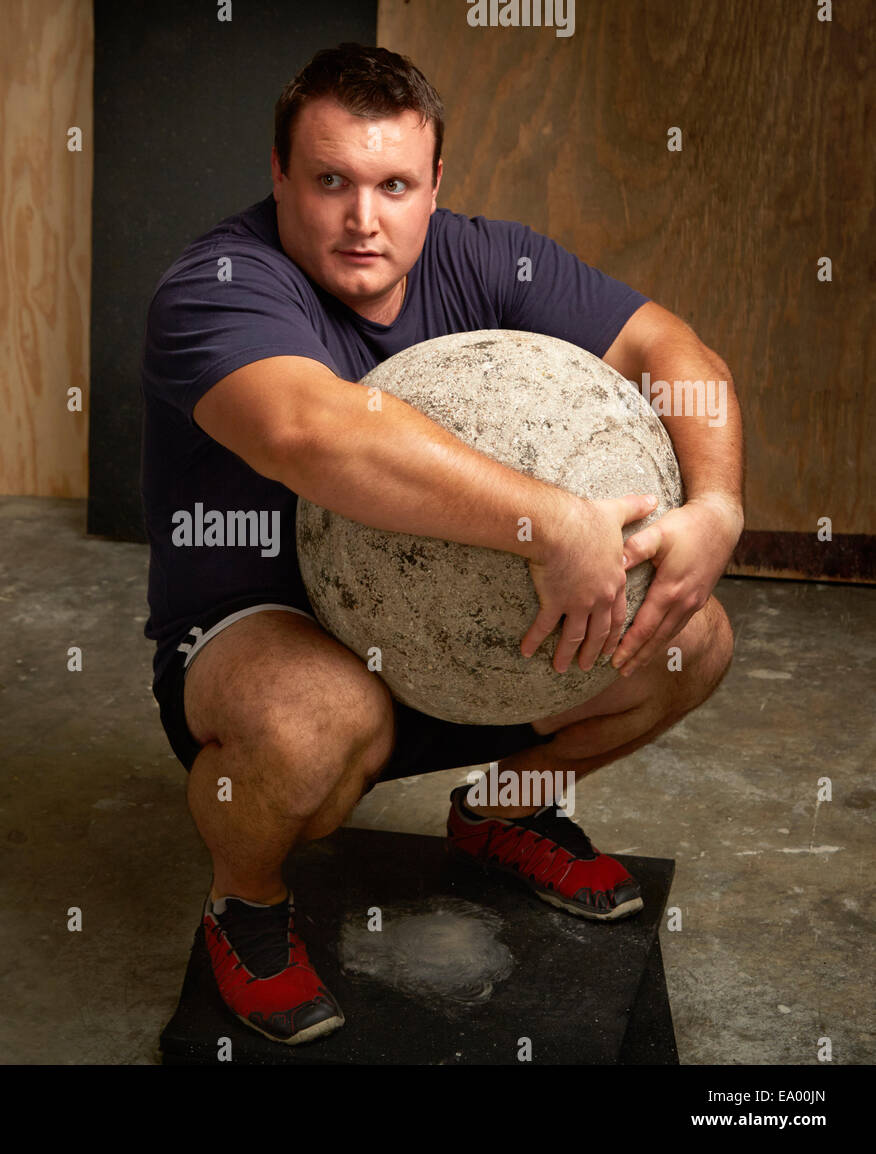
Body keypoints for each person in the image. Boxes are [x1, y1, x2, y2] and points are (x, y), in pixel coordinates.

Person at [139, 43, 742, 1046]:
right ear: (279, 175)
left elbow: (667, 351)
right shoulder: (217, 286)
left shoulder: (482, 257)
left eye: (392, 184)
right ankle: (243, 905)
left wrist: (717, 506)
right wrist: (550, 521)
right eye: (329, 180)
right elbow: (315, 435)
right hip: (273, 634)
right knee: (309, 729)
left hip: (470, 639)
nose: (361, 218)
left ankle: (504, 806)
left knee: (695, 637)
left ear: (435, 186)